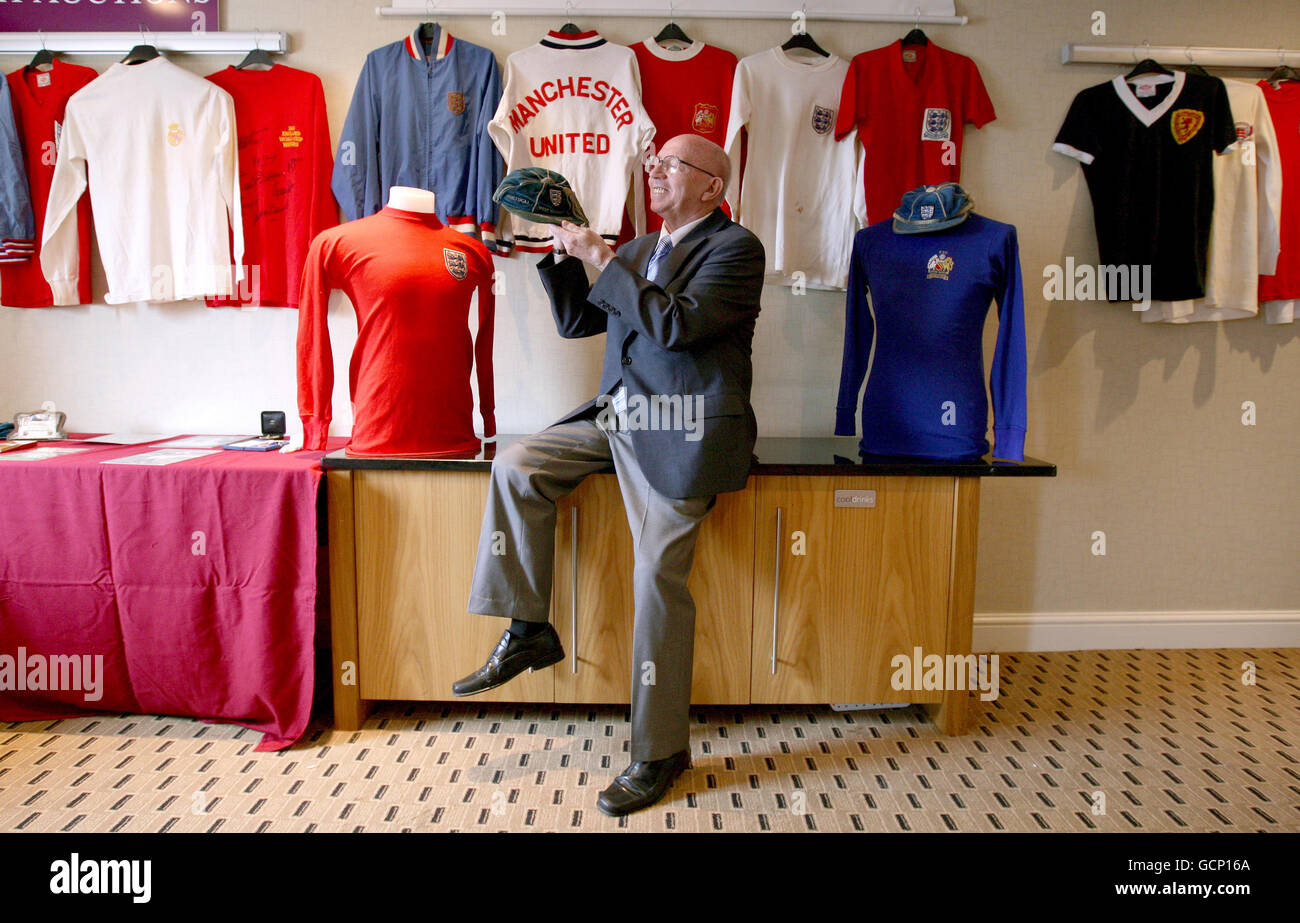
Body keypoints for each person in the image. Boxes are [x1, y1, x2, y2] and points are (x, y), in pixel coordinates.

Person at [453, 134, 765, 816]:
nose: (654, 170)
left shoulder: (735, 249)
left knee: (656, 577)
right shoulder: (633, 249)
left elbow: (675, 326)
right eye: (652, 162)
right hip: (615, 419)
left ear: (713, 185)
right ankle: (530, 626)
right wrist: (563, 254)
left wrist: (602, 255)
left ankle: (659, 749)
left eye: (671, 164)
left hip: (680, 429)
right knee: (517, 466)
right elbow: (577, 321)